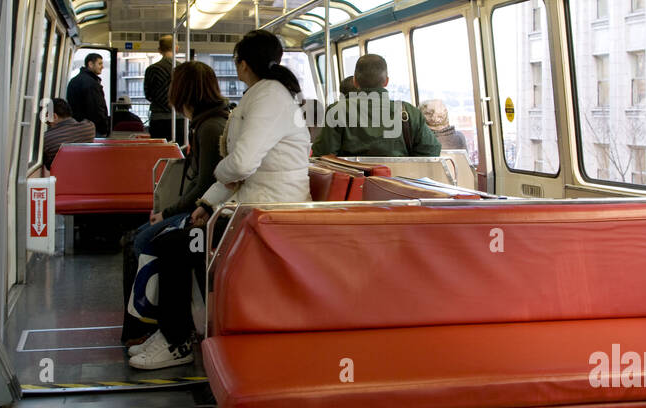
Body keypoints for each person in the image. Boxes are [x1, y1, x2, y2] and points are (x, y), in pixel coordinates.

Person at [130, 30, 311, 370]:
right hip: (254, 207)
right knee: (175, 242)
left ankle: (176, 341)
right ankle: (174, 333)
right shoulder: (263, 94)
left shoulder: (267, 97)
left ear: (242, 64)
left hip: (269, 217)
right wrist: (207, 204)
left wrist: (220, 184)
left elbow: (240, 165)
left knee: (174, 246)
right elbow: (240, 172)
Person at [123, 63, 230, 346]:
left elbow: (204, 185)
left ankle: (148, 325)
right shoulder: (207, 123)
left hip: (208, 211)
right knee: (137, 238)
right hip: (202, 205)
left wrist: (167, 212)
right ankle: (141, 321)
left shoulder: (209, 127)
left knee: (144, 241)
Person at [312, 54, 440, 158]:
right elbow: (432, 150)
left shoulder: (336, 111)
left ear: (355, 81)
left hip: (354, 185)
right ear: (386, 82)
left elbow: (323, 153)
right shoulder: (409, 112)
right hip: (398, 185)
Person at [42, 98, 95, 171]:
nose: (48, 124)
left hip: (61, 178)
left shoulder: (47, 138)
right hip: (87, 173)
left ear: (54, 116)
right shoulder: (89, 127)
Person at [66, 53, 110, 137]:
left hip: (77, 128)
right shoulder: (91, 84)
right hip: (92, 129)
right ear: (90, 64)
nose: (102, 67)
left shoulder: (74, 80)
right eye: (99, 63)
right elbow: (97, 109)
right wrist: (104, 128)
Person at [144, 35, 177, 143]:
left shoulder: (152, 69)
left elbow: (148, 94)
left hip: (158, 118)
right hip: (179, 118)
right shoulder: (182, 69)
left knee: (158, 150)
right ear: (176, 48)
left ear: (159, 50)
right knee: (178, 153)